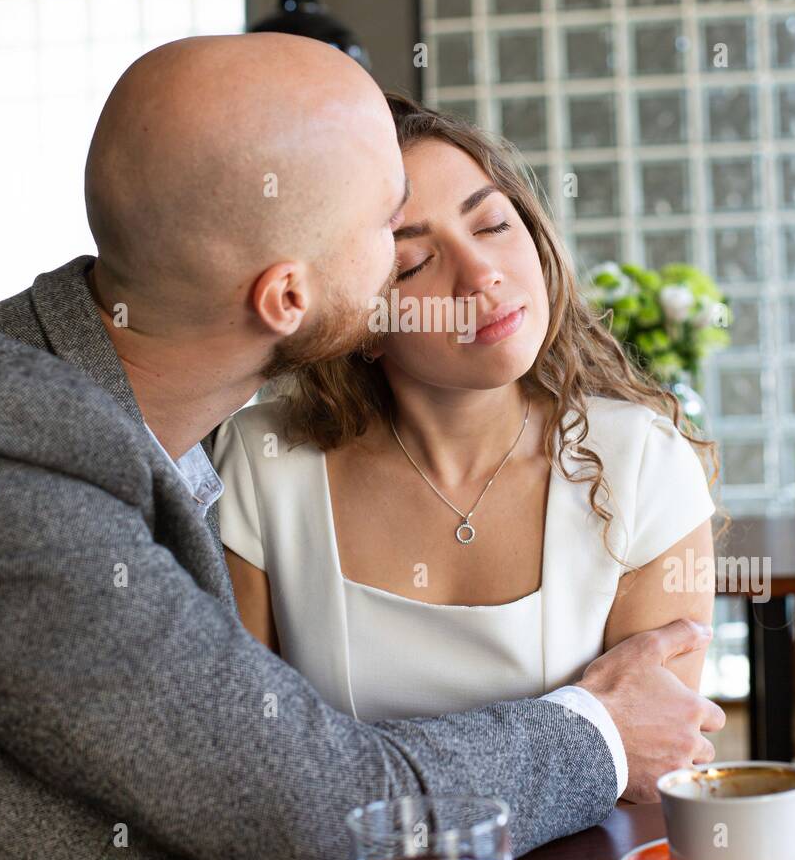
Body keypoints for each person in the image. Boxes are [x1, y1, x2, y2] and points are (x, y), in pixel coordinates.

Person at [0, 34, 724, 860]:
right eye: (392, 236)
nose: (475, 272)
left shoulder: (118, 424)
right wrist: (600, 732)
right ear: (288, 299)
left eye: (491, 221)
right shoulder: (29, 466)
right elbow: (315, 816)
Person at [214, 92, 721, 723]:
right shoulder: (262, 465)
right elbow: (248, 759)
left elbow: (647, 772)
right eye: (415, 262)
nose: (481, 274)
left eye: (492, 226)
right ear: (357, 319)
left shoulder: (644, 463)